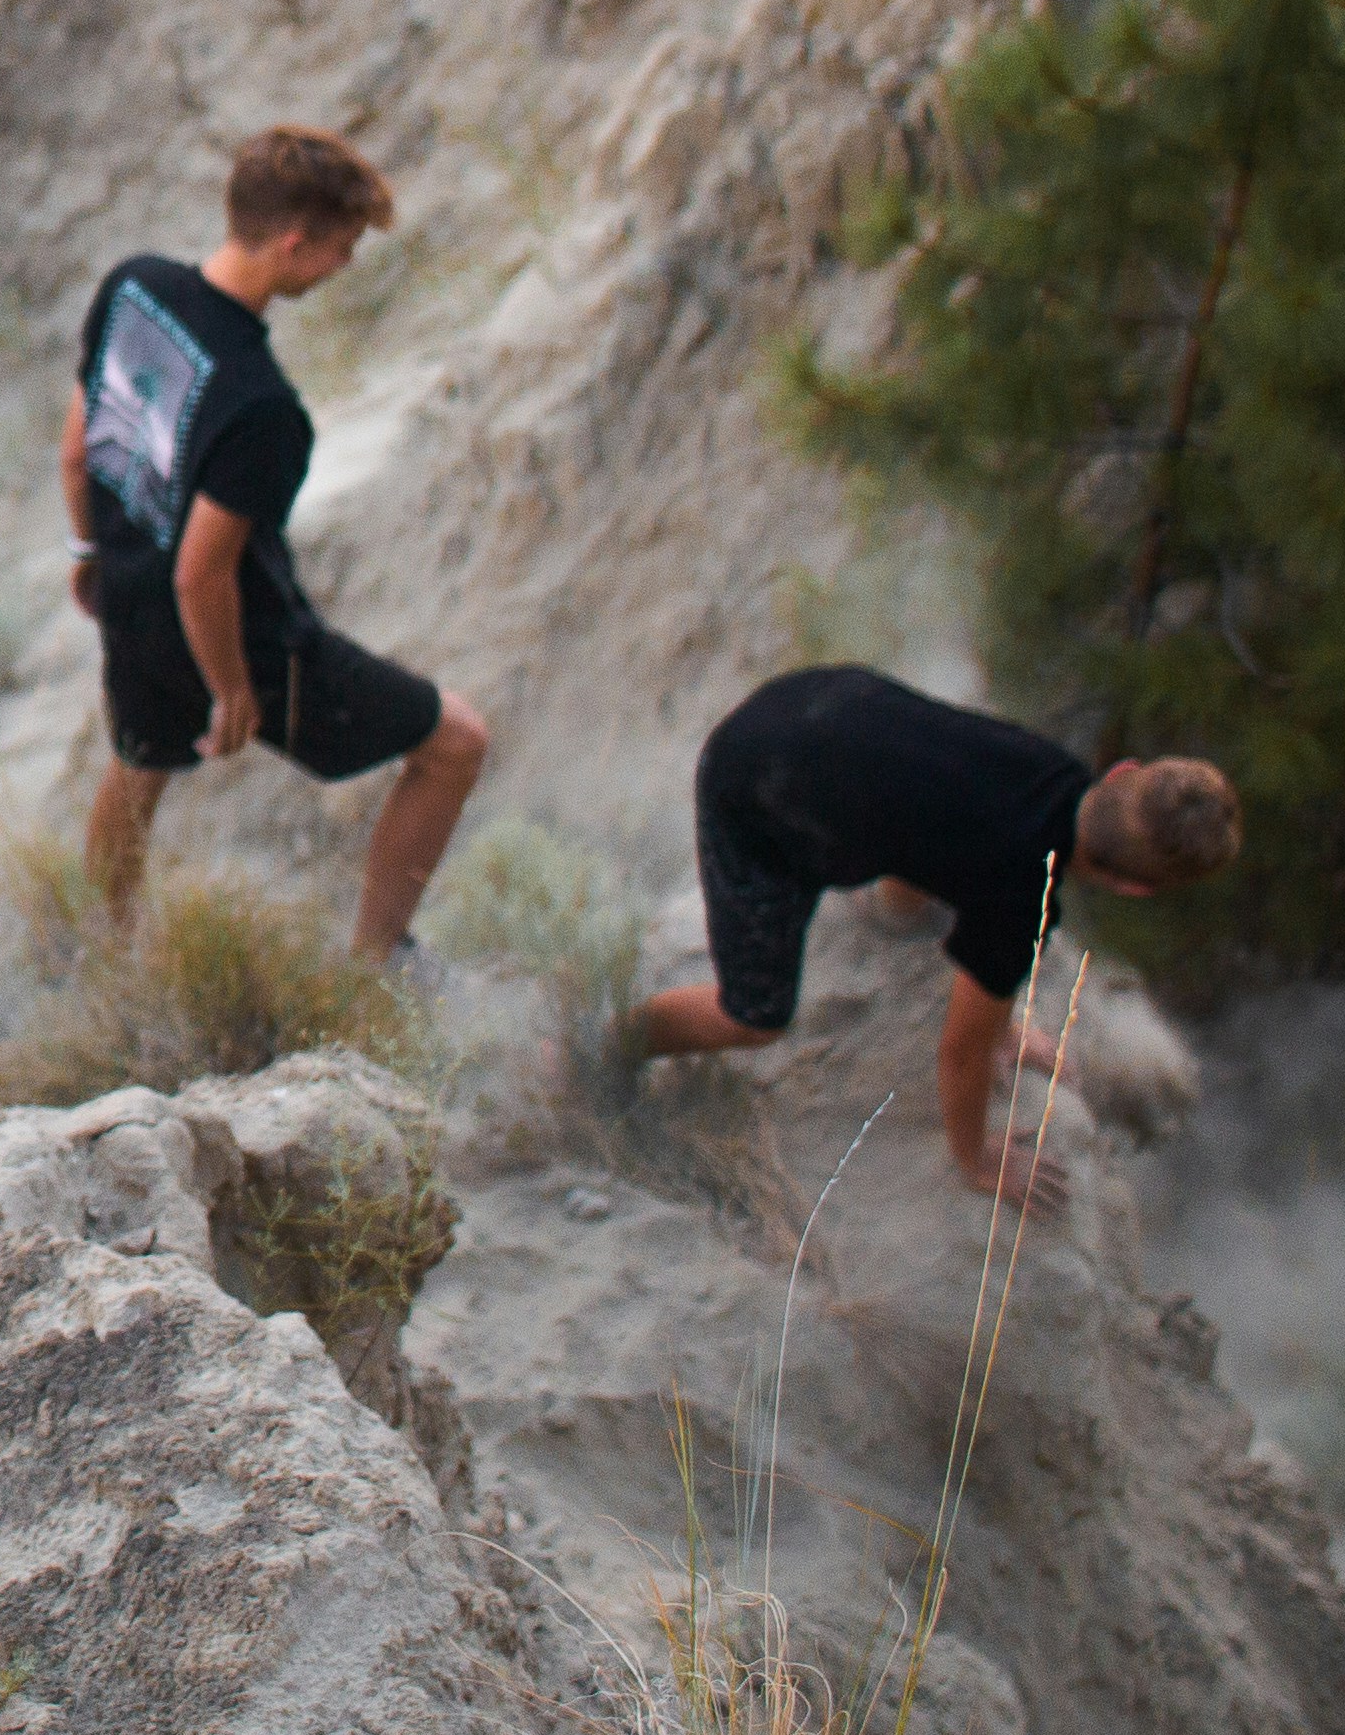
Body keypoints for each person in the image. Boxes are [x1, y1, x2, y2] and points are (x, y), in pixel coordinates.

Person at [61, 126, 492, 958]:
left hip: (128, 591)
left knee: (137, 763)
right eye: (342, 247)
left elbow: (77, 447)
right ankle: (377, 961)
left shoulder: (134, 287)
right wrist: (230, 689)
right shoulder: (263, 408)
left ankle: (104, 955)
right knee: (454, 743)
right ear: (293, 243)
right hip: (239, 634)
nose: (345, 265)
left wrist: (88, 555)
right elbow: (201, 573)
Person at [626, 667, 1243, 1210]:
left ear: (1123, 773)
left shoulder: (1052, 768)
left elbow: (951, 810)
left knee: (938, 816)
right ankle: (609, 1046)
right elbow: (961, 1055)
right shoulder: (1019, 902)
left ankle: (888, 908)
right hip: (752, 789)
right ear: (1137, 889)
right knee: (755, 1018)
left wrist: (1000, 1025)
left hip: (813, 699)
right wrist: (975, 1158)